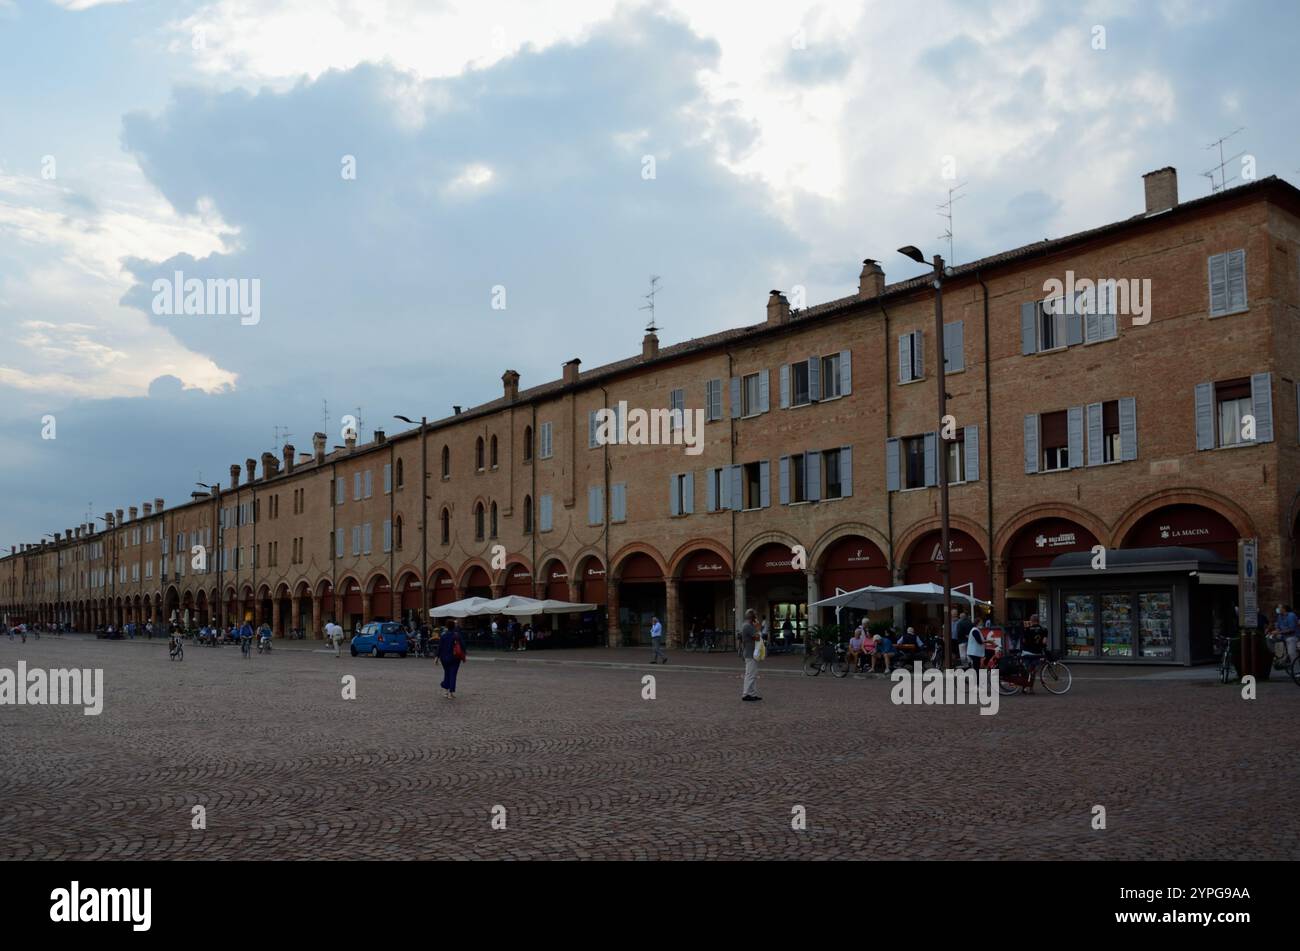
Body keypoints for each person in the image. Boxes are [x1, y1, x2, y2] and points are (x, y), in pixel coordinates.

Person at [1019, 614, 1049, 693]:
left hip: (1027, 652)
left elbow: (1023, 641)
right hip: (1037, 653)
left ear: (1031, 621)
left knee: (1025, 670)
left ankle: (1024, 687)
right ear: (1038, 620)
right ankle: (1031, 688)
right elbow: (1044, 642)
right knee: (1033, 671)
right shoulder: (1044, 629)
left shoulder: (1027, 629)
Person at [437, 619, 466, 699]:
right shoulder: (457, 635)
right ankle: (451, 693)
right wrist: (464, 655)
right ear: (454, 626)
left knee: (447, 673)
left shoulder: (443, 635)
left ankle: (445, 691)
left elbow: (440, 647)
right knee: (453, 674)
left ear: (446, 627)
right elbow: (463, 646)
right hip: (455, 657)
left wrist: (437, 657)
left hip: (444, 658)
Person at [740, 608, 761, 701]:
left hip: (752, 652)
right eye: (755, 616)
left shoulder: (749, 625)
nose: (756, 617)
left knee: (753, 674)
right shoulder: (748, 626)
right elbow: (757, 637)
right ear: (752, 617)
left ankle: (753, 693)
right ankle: (746, 694)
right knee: (750, 674)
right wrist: (757, 628)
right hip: (750, 653)